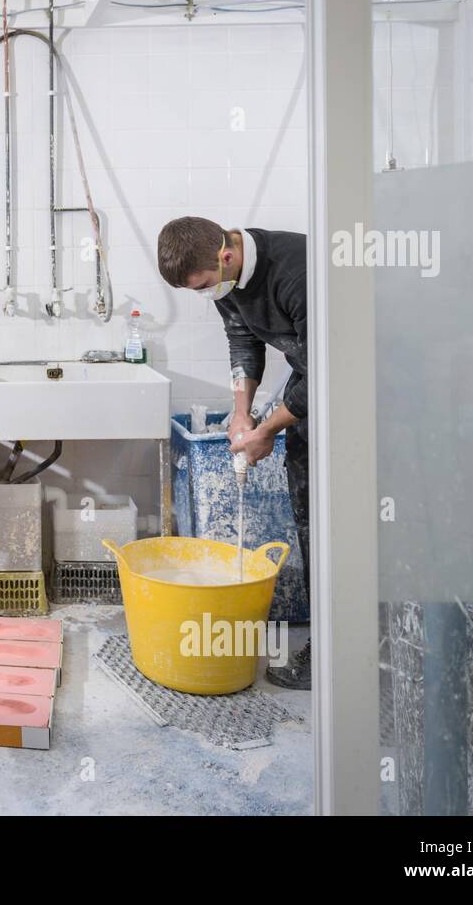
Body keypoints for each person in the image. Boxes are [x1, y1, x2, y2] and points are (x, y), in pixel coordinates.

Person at [156, 216, 310, 690]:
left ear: (226, 256)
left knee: (342, 529)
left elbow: (328, 368)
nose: (205, 295)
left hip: (362, 393)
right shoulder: (226, 280)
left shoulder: (298, 272)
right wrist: (242, 415)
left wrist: (269, 430)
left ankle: (353, 653)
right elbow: (243, 339)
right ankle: (333, 641)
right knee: (310, 514)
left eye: (203, 286)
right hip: (312, 392)